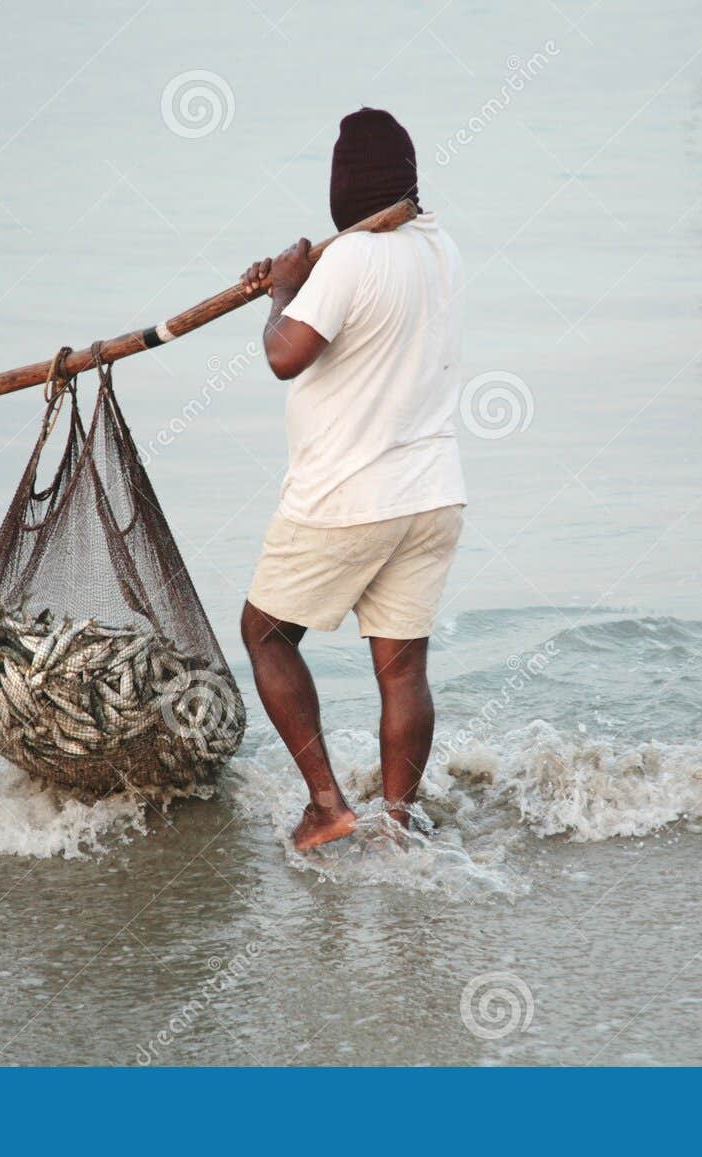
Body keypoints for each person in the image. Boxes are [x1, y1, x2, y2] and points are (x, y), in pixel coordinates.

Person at [238, 109, 466, 851]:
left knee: (265, 632)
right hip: (430, 494)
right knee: (402, 668)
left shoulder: (349, 261)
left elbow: (284, 354)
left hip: (347, 496)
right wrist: (297, 281)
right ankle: (396, 823)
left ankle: (328, 803)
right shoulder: (440, 249)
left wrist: (281, 292)